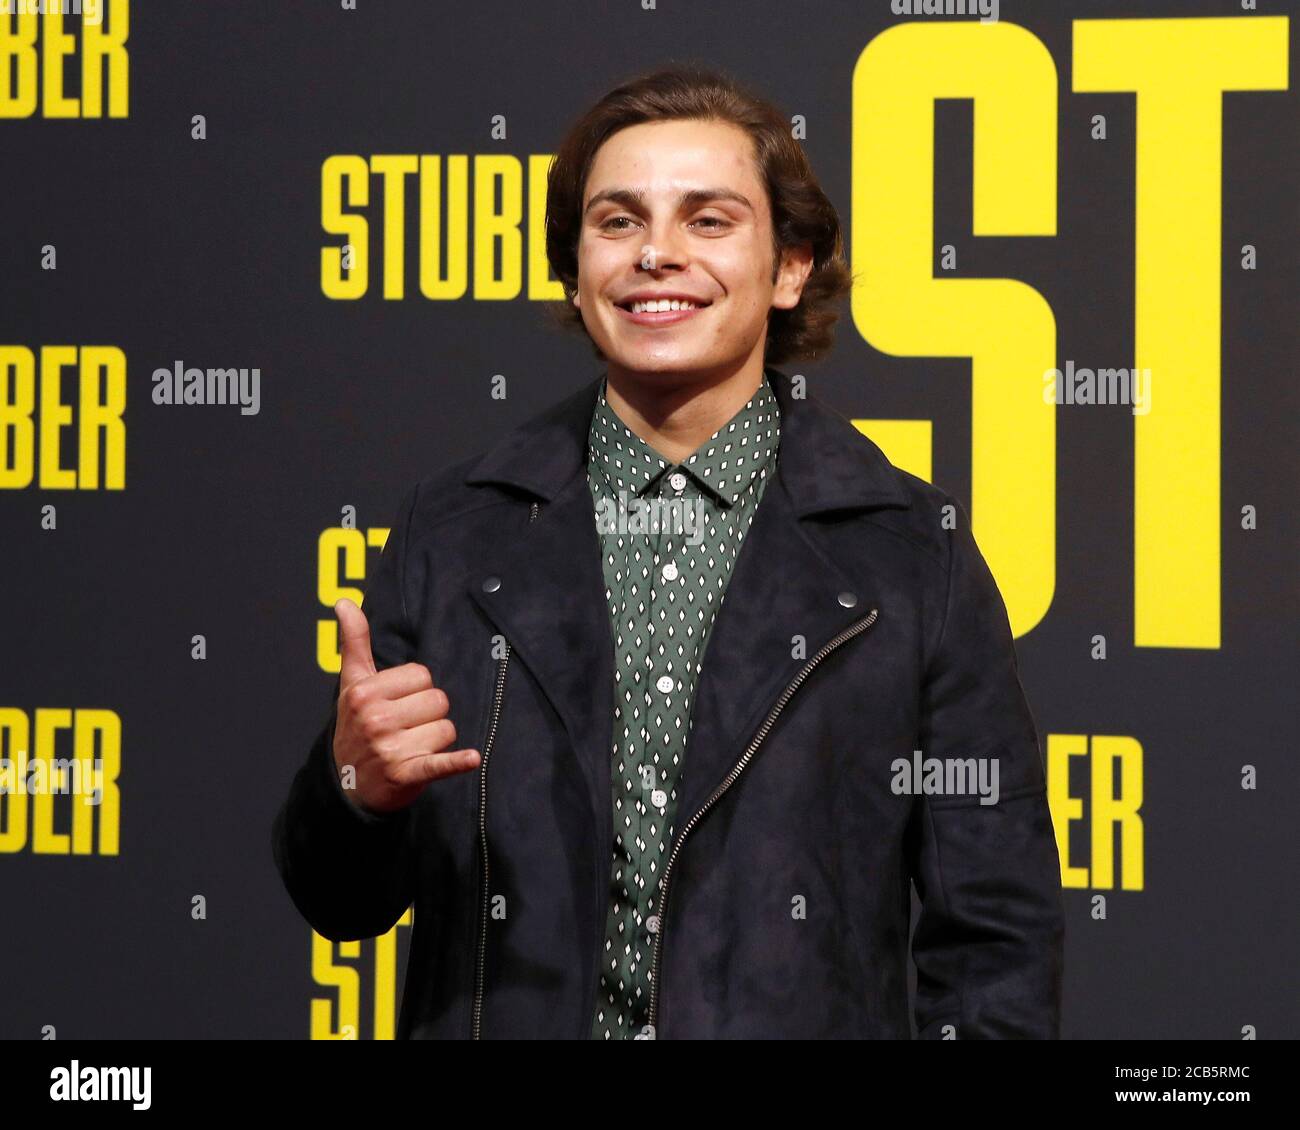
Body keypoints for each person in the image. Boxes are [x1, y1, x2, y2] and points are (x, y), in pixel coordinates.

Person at [272, 63, 1064, 1040]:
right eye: (617, 221)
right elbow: (339, 902)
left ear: (789, 267)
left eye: (708, 219)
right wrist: (354, 789)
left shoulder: (908, 556)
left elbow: (995, 942)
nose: (657, 253)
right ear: (574, 265)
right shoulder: (451, 529)